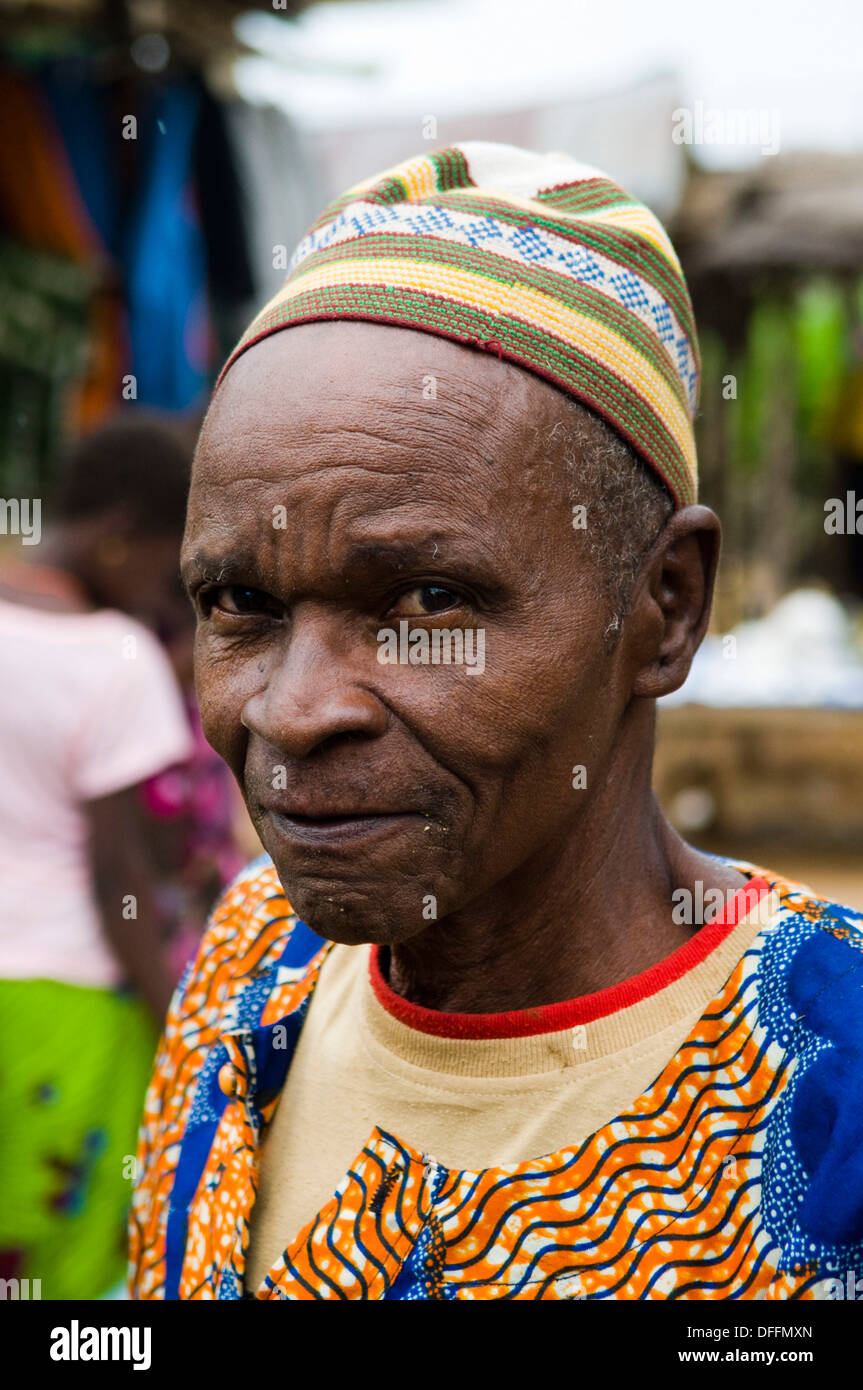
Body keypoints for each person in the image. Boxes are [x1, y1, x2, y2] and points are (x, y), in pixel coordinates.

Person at [130, 144, 863, 1302]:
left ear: (662, 607)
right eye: (242, 604)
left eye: (427, 600)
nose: (296, 709)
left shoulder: (839, 1077)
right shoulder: (246, 966)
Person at [0, 413, 195, 1299]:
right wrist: (175, 1022)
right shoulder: (116, 661)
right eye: (165, 562)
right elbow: (120, 878)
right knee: (63, 1263)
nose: (167, 592)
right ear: (120, 538)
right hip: (68, 1001)